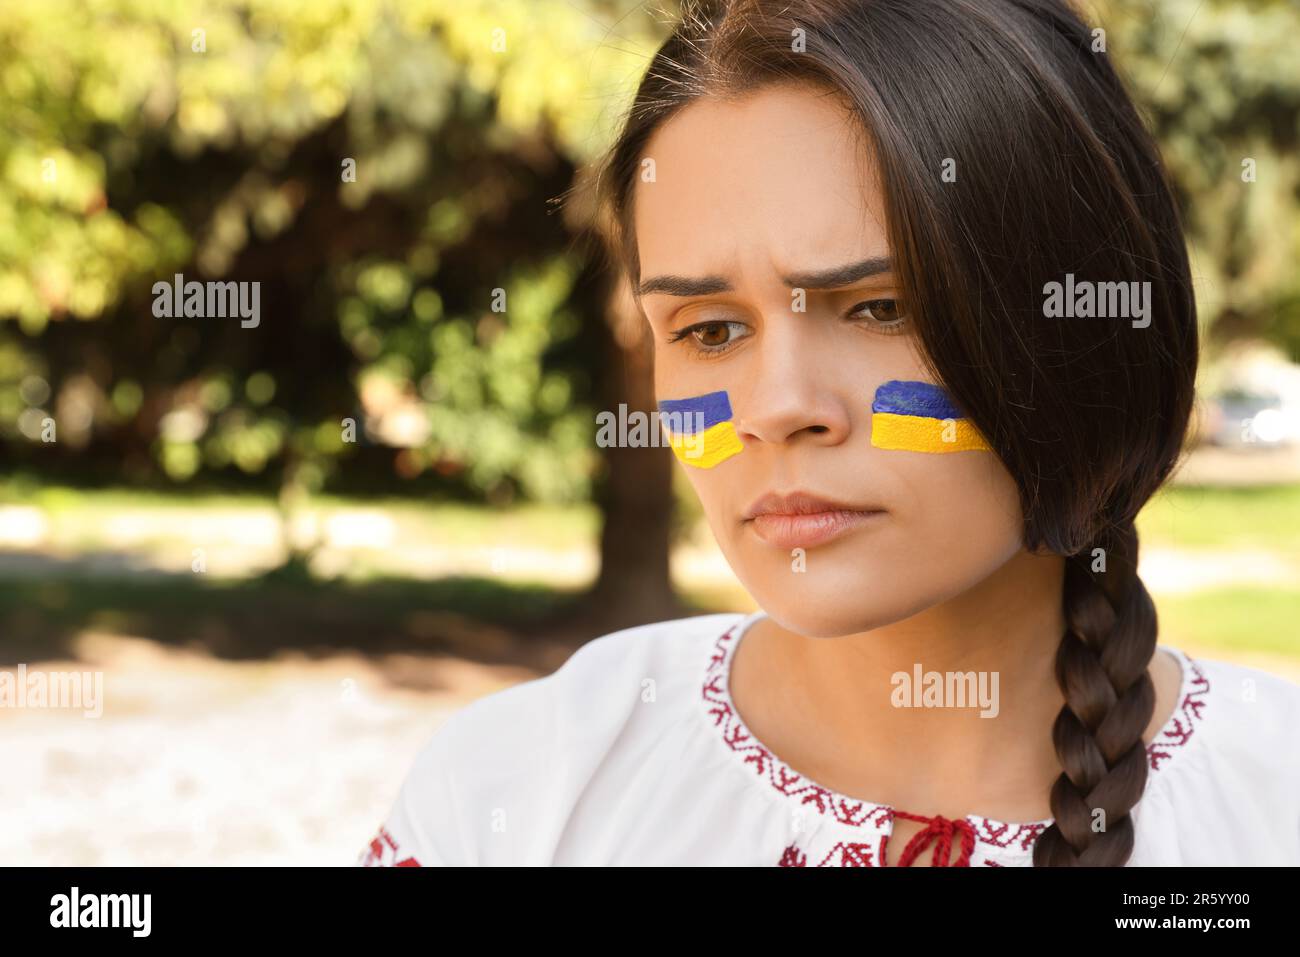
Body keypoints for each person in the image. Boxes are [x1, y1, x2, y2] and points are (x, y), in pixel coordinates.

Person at [358, 0, 1300, 866]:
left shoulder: (1272, 809)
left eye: (883, 307)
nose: (776, 407)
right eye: (710, 330)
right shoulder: (518, 792)